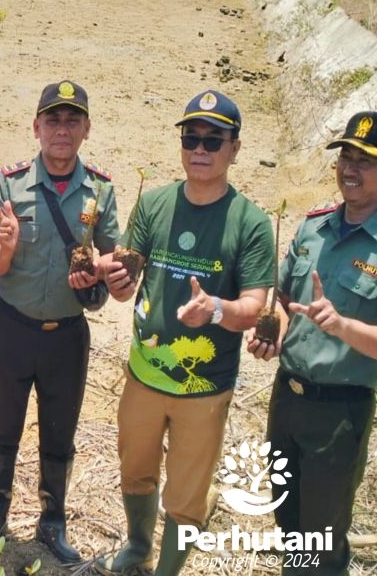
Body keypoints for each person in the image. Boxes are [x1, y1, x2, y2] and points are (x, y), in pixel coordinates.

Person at [96, 90, 274, 575]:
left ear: (234, 148)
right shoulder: (154, 205)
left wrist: (216, 310)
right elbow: (127, 279)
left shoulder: (252, 224)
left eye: (213, 140)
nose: (199, 148)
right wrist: (116, 280)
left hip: (203, 385)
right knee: (135, 469)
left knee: (187, 492)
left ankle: (169, 568)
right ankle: (137, 545)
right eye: (191, 137)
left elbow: (255, 306)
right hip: (144, 374)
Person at [247, 112, 377, 575]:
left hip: (339, 413)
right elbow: (286, 301)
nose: (350, 167)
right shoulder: (314, 228)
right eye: (345, 155)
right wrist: (274, 334)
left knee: (322, 546)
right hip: (287, 400)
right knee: (289, 525)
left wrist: (343, 326)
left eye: (365, 160)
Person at [0, 81, 120, 563]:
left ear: (86, 129)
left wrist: (107, 273)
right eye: (52, 120)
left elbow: (113, 254)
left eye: (72, 120)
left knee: (59, 433)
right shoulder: (10, 184)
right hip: (10, 329)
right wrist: (7, 245)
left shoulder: (101, 189)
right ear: (36, 127)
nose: (61, 129)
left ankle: (52, 523)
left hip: (66, 336)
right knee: (2, 430)